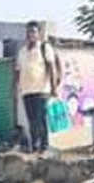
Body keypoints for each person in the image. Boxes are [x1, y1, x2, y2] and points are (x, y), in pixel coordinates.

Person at [14, 20, 62, 154]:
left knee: (41, 118)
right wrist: (15, 89)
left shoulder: (44, 48)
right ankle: (34, 146)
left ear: (38, 34)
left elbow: (51, 67)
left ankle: (44, 147)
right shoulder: (22, 51)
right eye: (28, 32)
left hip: (42, 90)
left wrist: (53, 88)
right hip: (27, 91)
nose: (30, 34)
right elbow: (17, 71)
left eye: (33, 32)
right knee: (31, 120)